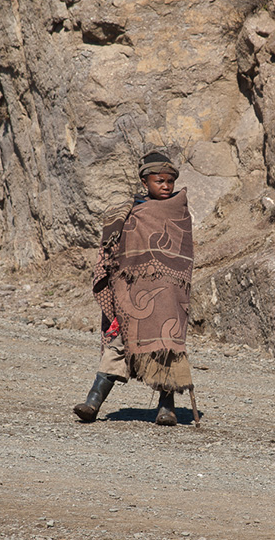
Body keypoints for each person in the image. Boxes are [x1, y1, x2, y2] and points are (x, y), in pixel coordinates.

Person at [73, 151, 194, 426]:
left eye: (170, 181)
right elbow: (115, 248)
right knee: (120, 344)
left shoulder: (179, 210)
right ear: (144, 182)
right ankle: (92, 402)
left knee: (167, 346)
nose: (166, 186)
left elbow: (183, 254)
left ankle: (167, 409)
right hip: (131, 290)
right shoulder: (128, 211)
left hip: (166, 293)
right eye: (159, 180)